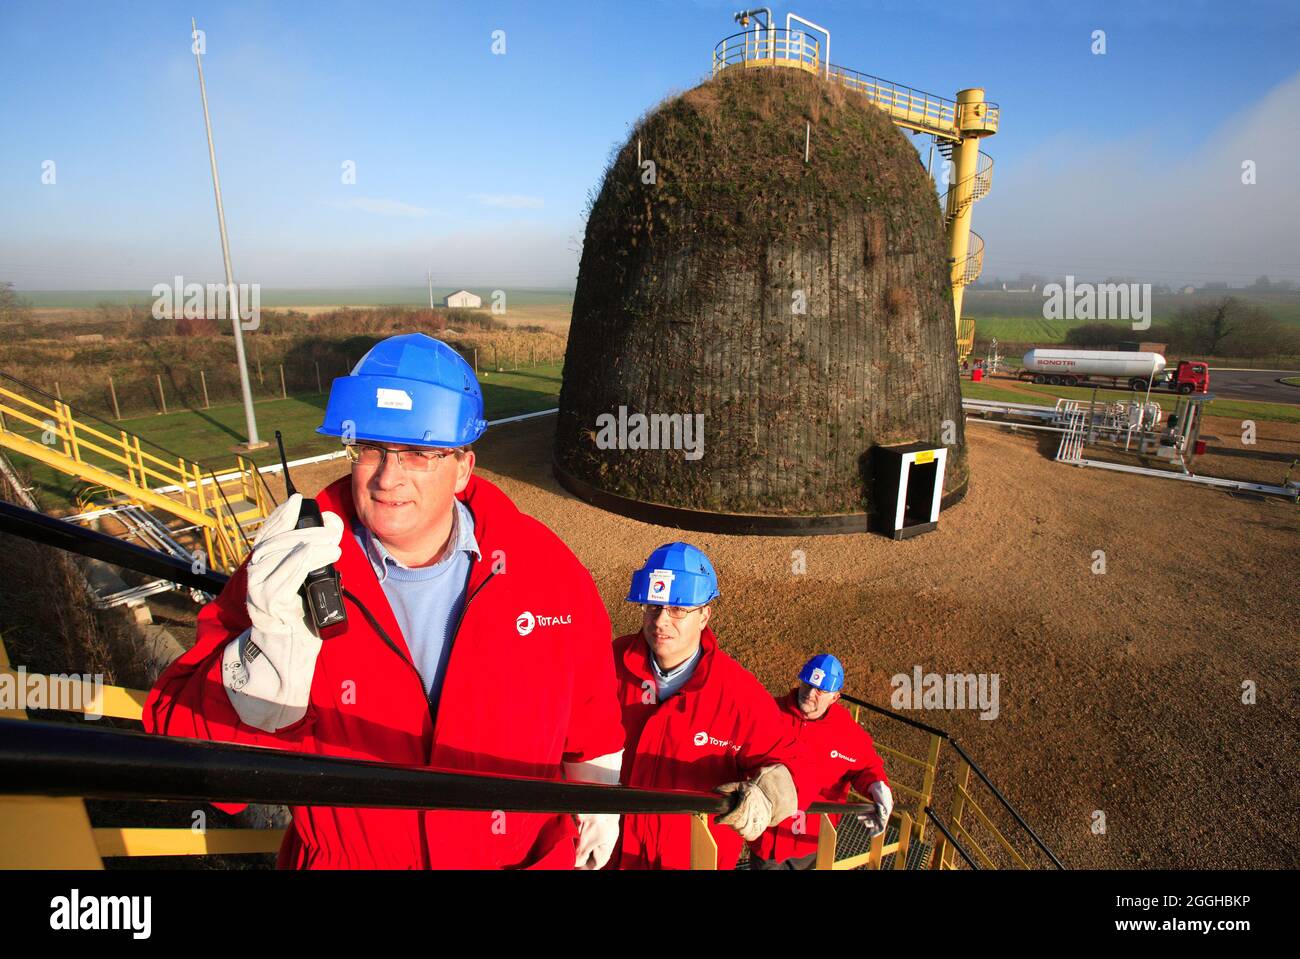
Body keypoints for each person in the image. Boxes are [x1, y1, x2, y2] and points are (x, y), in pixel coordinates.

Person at [143, 333, 625, 869]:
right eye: (371, 447)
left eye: (419, 453)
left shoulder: (545, 568)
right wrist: (258, 672)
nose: (388, 477)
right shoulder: (290, 572)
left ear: (464, 467)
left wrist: (599, 792)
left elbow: (591, 708)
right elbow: (181, 743)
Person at [607, 542, 809, 870]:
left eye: (678, 610)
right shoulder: (609, 664)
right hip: (606, 856)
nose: (659, 621)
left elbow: (792, 762)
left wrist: (767, 797)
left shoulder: (738, 695)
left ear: (704, 615)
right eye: (653, 606)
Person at [748, 654, 893, 870]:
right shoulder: (769, 713)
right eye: (808, 684)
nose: (809, 694)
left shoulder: (847, 734)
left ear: (835, 698)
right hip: (768, 839)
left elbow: (865, 767)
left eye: (821, 690)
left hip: (811, 844)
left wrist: (876, 785)